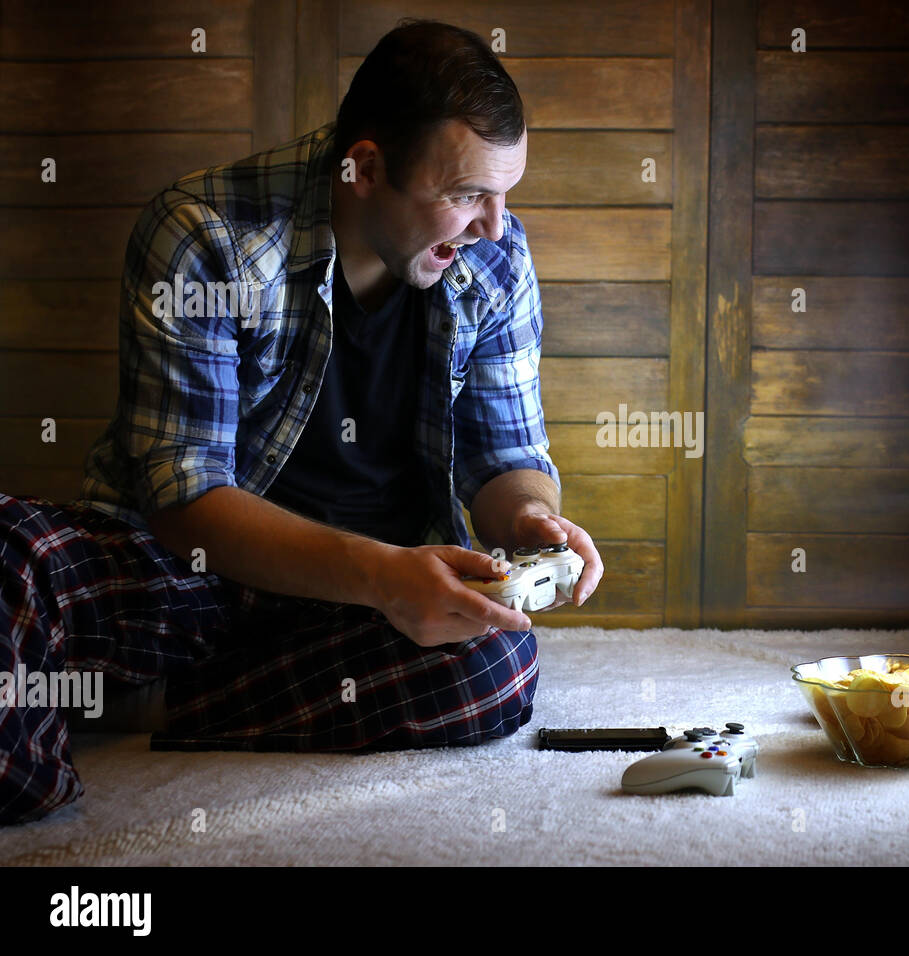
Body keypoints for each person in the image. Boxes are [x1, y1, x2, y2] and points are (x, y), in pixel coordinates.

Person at [0, 18, 602, 825]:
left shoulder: (496, 256)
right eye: (466, 196)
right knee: (11, 550)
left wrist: (530, 518)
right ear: (366, 168)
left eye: (505, 195)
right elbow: (184, 499)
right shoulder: (206, 234)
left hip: (372, 597)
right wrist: (378, 573)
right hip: (190, 571)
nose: (495, 226)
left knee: (494, 666)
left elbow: (505, 455)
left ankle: (145, 697)